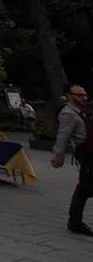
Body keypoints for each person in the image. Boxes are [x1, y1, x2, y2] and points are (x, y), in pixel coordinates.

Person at [51, 84, 92, 236]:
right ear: (69, 96)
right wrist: (58, 156)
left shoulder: (80, 111)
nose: (83, 97)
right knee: (83, 189)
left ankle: (75, 222)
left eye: (84, 94)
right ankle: (75, 222)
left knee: (84, 188)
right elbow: (63, 136)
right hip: (87, 155)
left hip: (89, 153)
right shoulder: (68, 113)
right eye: (79, 95)